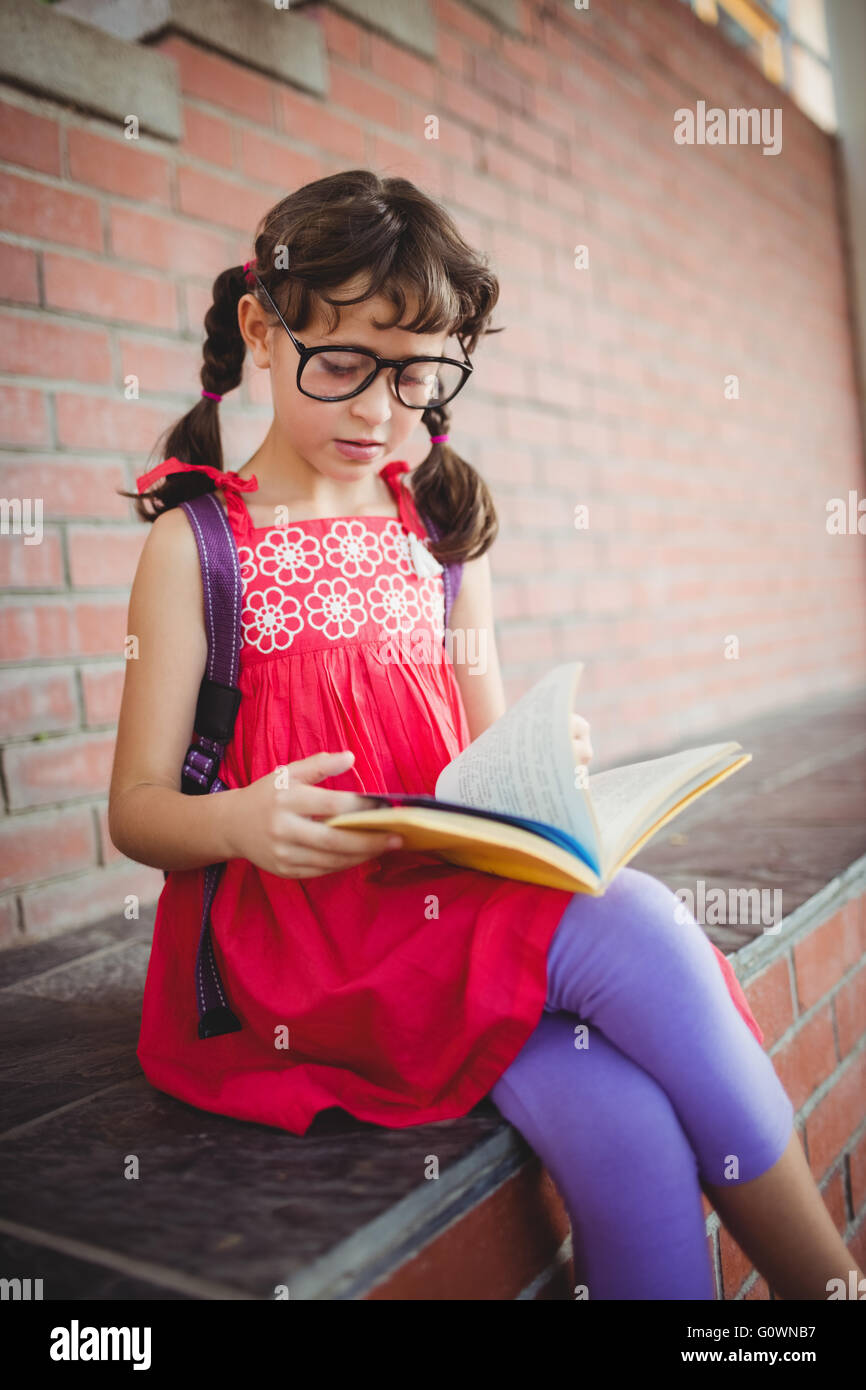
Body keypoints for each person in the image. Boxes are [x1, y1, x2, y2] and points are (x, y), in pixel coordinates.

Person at [108, 170, 863, 1301]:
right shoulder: (201, 550)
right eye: (345, 365)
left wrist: (541, 764)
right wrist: (240, 819)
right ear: (263, 330)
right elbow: (135, 813)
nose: (378, 411)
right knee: (645, 930)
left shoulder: (441, 532)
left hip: (441, 917)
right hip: (299, 954)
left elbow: (480, 751)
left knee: (625, 1129)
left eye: (416, 376)